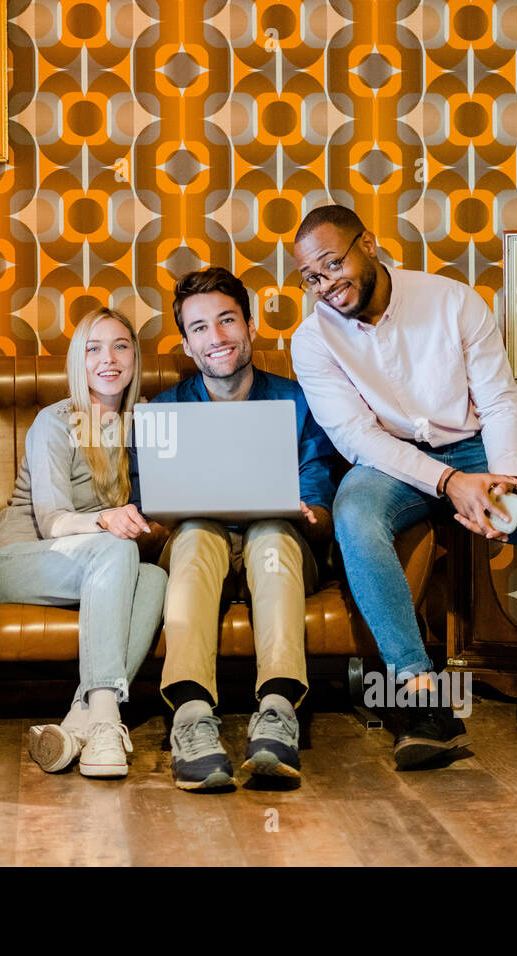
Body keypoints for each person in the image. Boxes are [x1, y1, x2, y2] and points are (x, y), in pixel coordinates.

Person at [290, 204, 517, 770]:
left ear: (369, 242)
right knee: (355, 516)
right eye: (311, 276)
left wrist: (505, 481)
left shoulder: (454, 300)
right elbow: (358, 439)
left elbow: (500, 400)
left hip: (479, 450)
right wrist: (448, 482)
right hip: (391, 463)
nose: (325, 284)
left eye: (333, 263)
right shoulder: (312, 340)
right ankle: (420, 699)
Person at [146, 268, 341, 791]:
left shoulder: (298, 400)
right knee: (196, 532)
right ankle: (190, 716)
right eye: (201, 328)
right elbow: (148, 512)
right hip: (198, 547)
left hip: (277, 542)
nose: (218, 337)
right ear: (188, 345)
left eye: (227, 320)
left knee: (271, 534)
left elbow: (319, 498)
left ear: (251, 327)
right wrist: (158, 515)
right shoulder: (164, 410)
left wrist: (309, 511)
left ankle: (278, 710)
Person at [0, 307, 167, 779]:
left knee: (154, 579)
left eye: (120, 346)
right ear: (78, 361)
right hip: (17, 560)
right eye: (93, 348)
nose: (108, 359)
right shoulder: (57, 421)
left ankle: (78, 723)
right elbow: (51, 523)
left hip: (95, 564)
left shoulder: (145, 422)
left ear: (134, 356)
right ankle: (109, 721)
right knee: (115, 547)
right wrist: (109, 520)